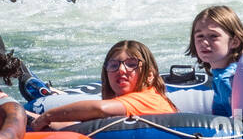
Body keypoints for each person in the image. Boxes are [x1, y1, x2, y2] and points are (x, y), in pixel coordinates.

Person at [28, 41, 175, 130]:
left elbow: (100, 108)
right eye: (114, 65)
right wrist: (33, 119)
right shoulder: (133, 105)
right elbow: (78, 129)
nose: (121, 70)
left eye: (131, 65)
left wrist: (47, 116)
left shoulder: (148, 97)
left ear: (149, 75)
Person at [188, 5, 243, 116]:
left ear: (235, 42)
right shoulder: (221, 74)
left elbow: (240, 122)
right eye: (200, 36)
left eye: (213, 36)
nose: (204, 42)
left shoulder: (229, 79)